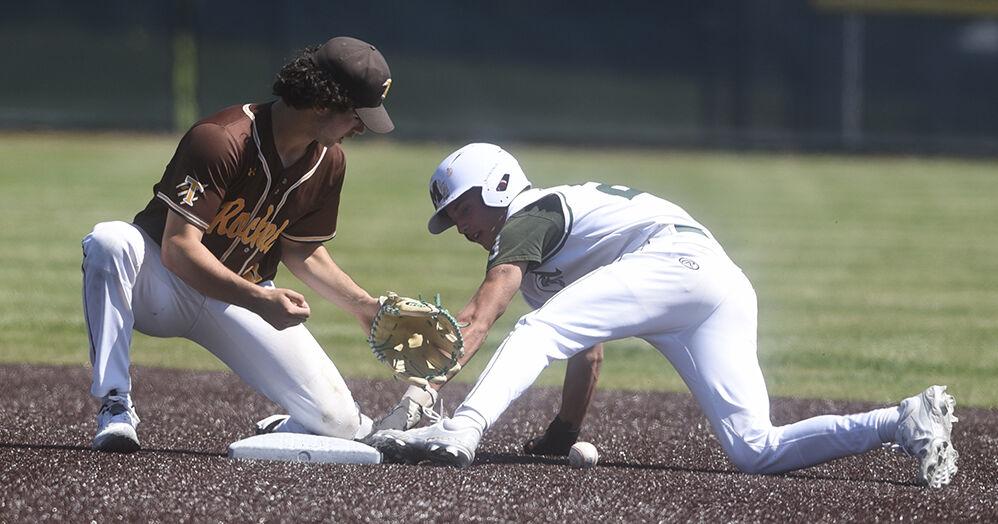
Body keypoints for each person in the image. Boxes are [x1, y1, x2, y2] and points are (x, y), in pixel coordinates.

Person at [369, 143, 960, 488]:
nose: (460, 225)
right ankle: (904, 421)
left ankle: (464, 429)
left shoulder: (530, 214)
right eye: (451, 217)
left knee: (536, 329)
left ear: (499, 187)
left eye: (463, 209)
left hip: (674, 261)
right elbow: (587, 353)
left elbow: (481, 315)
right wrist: (562, 434)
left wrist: (425, 393)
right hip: (719, 286)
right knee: (755, 450)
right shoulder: (536, 255)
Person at [81, 36, 435, 452]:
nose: (361, 128)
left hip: (237, 300)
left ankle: (284, 423)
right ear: (324, 103)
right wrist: (259, 300)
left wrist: (365, 307)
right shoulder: (222, 139)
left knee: (339, 423)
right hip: (161, 283)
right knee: (109, 241)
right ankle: (115, 403)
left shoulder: (329, 161)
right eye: (357, 115)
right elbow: (178, 248)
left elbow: (300, 250)